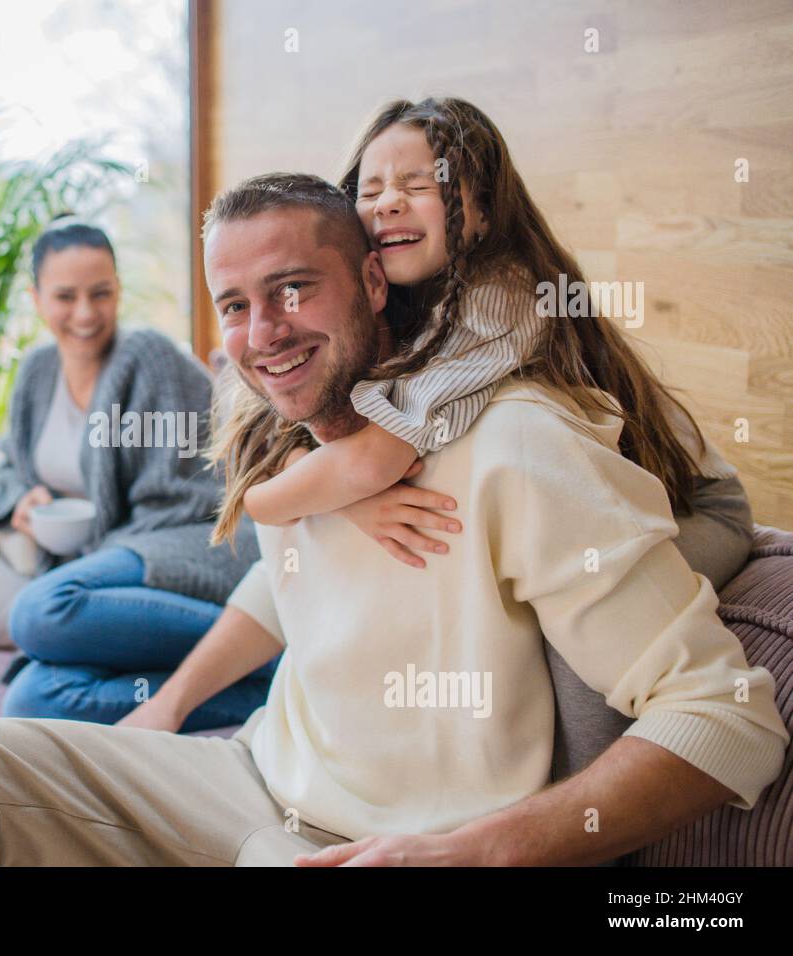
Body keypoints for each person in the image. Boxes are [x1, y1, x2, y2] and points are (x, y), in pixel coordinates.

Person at [0, 173, 787, 867]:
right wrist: (170, 708)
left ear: (374, 284)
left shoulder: (517, 448)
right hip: (246, 785)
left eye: (294, 288)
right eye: (236, 305)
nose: (264, 331)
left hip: (399, 842)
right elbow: (286, 586)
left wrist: (475, 852)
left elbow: (727, 716)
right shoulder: (289, 451)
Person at [236, 97, 756, 780]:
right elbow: (306, 455)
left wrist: (301, 501)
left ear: (481, 207)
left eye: (419, 186)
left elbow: (383, 455)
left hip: (697, 504)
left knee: (572, 641)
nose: (389, 203)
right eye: (370, 189)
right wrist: (328, 495)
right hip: (583, 504)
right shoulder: (395, 303)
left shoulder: (504, 298)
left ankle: (584, 828)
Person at [0, 216, 268, 731]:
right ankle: (258, 690)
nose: (86, 313)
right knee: (32, 699)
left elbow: (185, 497)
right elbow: (10, 469)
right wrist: (23, 501)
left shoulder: (147, 358)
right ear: (37, 298)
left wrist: (95, 551)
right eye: (65, 297)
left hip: (192, 543)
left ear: (118, 289)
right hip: (115, 568)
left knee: (39, 613)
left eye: (101, 293)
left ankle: (264, 642)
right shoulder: (36, 372)